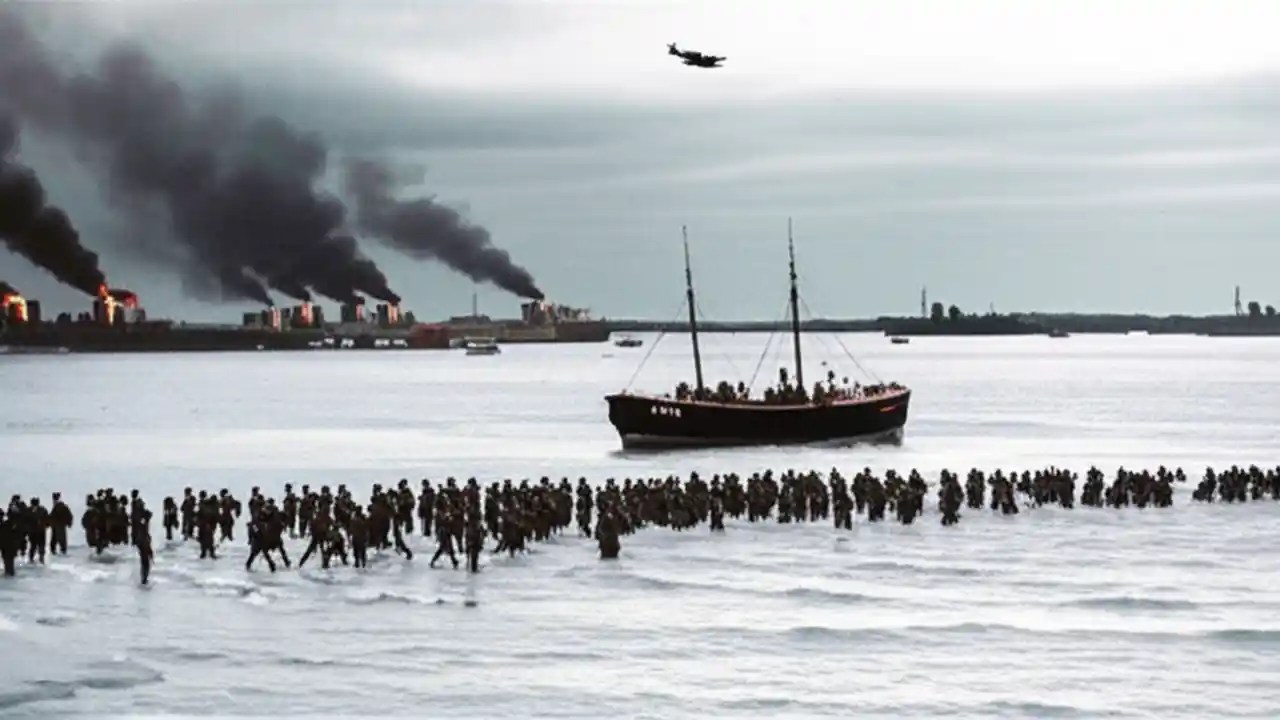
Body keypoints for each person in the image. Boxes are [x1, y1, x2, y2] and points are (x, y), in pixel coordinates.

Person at [132, 500, 154, 585]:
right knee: (145, 561)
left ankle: (144, 578)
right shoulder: (141, 518)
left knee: (144, 561)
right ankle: (144, 578)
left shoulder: (139, 516)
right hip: (143, 540)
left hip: (142, 540)